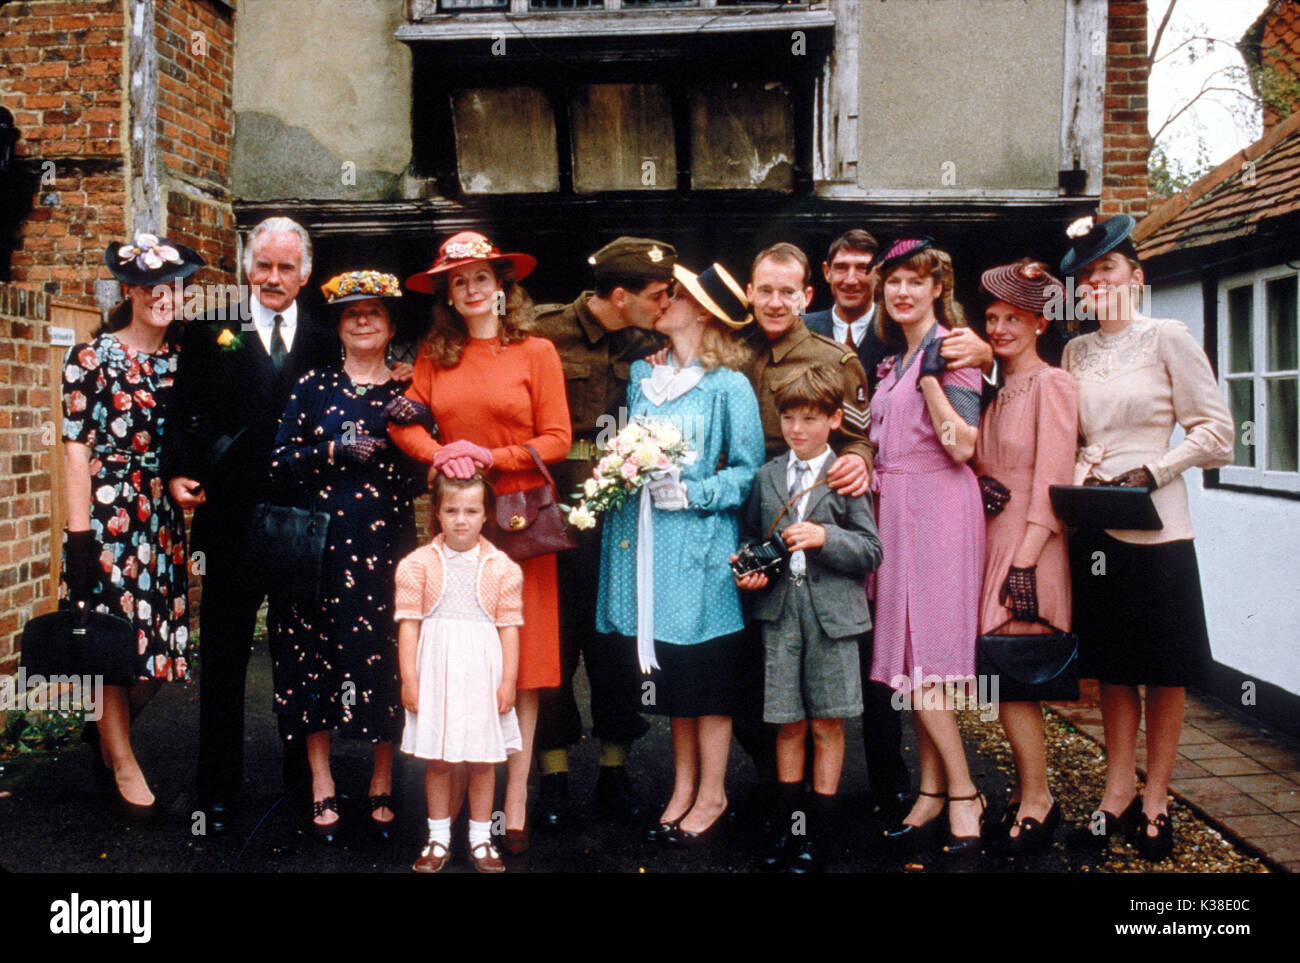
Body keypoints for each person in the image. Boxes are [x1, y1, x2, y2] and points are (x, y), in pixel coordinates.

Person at [389, 231, 571, 855]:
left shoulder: (537, 350)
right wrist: (442, 454)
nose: (471, 288)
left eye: (481, 277)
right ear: (447, 293)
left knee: (519, 665)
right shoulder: (433, 357)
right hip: (459, 518)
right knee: (454, 648)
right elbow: (400, 419)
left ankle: (513, 801)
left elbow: (558, 438)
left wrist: (490, 455)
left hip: (520, 521)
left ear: (501, 285)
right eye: (457, 281)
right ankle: (453, 809)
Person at [1058, 215, 1233, 861]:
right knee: (1113, 670)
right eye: (1086, 273)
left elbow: (1216, 433)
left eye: (1108, 268)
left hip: (1159, 525)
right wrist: (1083, 475)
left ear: (1135, 275)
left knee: (1163, 669)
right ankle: (1115, 795)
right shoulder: (1075, 351)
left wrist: (1153, 469)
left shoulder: (1169, 336)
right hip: (1096, 524)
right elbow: (1072, 436)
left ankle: (1156, 798)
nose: (1096, 280)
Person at [164, 216, 340, 834]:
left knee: (301, 656)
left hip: (300, 525)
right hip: (232, 522)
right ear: (245, 267)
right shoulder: (212, 331)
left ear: (305, 273)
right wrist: (182, 469)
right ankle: (215, 787)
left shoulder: (326, 341)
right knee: (224, 658)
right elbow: (184, 411)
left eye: (285, 267)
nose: (272, 277)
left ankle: (303, 781)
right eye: (262, 265)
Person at [597, 261, 764, 844]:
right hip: (645, 544)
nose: (663, 301)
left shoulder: (729, 386)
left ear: (703, 312)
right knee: (674, 679)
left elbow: (747, 473)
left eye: (677, 296)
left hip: (699, 547)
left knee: (707, 677)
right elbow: (623, 444)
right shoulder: (642, 374)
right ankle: (683, 784)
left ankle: (713, 791)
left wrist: (692, 492)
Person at [266, 271, 423, 841]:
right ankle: (321, 782)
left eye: (374, 313)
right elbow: (279, 461)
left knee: (384, 655)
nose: (363, 320)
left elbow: (425, 475)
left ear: (390, 326)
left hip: (385, 547)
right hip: (316, 549)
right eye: (352, 313)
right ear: (338, 325)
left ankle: (382, 781)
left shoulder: (408, 391)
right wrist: (332, 449)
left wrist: (418, 422)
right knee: (312, 657)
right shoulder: (312, 384)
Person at [531, 237, 674, 829]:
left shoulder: (654, 340)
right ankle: (555, 773)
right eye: (657, 296)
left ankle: (616, 771)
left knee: (618, 650)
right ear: (620, 296)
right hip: (551, 516)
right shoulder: (541, 333)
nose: (665, 306)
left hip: (622, 522)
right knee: (551, 649)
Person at [61, 233, 204, 818]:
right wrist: (77, 538)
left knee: (158, 648)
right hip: (106, 514)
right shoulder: (90, 357)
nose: (159, 296)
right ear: (129, 290)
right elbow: (75, 449)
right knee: (111, 645)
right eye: (147, 286)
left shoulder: (185, 359)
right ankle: (122, 761)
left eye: (169, 286)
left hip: (161, 519)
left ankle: (104, 736)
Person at [734, 364, 883, 872]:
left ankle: (819, 830)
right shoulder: (767, 476)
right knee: (788, 724)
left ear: (835, 419)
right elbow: (752, 537)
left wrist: (826, 538)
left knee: (827, 723)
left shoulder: (845, 475)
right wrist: (749, 569)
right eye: (790, 418)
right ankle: (791, 827)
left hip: (833, 619)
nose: (798, 429)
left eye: (811, 419)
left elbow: (872, 549)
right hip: (780, 616)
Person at [867, 237, 986, 857]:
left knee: (930, 657)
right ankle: (931, 792)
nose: (903, 291)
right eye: (894, 282)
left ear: (938, 287)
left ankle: (965, 791)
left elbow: (962, 446)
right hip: (895, 509)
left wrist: (935, 378)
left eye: (917, 281)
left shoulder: (956, 351)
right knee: (911, 654)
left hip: (939, 504)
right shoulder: (892, 361)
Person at [970, 259, 1079, 856]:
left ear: (1039, 323)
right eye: (991, 318)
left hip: (1029, 545)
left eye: (1013, 318)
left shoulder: (1053, 384)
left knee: (1015, 678)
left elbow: (1054, 477)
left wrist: (1027, 558)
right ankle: (1026, 790)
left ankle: (1038, 797)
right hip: (991, 539)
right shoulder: (994, 388)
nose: (1000, 328)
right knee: (1000, 676)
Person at [398, 472, 523, 874]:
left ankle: (481, 839)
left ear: (486, 515)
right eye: (451, 510)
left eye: (471, 511)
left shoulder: (502, 568)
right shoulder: (418, 565)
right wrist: (410, 679)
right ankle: (437, 838)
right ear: (436, 513)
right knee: (438, 761)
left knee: (482, 761)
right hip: (436, 675)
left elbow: (509, 630)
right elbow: (409, 624)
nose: (461, 520)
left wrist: (507, 683)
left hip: (482, 678)